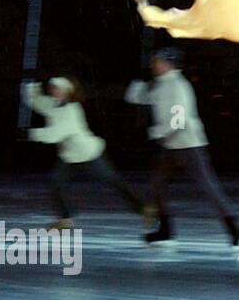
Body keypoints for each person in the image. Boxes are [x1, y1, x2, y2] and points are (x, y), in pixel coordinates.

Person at [124, 42, 239, 247]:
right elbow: (134, 97)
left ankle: (234, 229)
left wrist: (155, 132)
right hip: (170, 145)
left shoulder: (177, 86)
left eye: (157, 61)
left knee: (208, 186)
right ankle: (166, 230)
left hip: (189, 144)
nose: (154, 64)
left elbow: (178, 121)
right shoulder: (160, 84)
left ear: (168, 63)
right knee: (157, 186)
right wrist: (140, 80)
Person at [21, 76, 149, 229]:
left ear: (67, 91)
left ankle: (143, 209)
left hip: (88, 152)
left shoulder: (72, 110)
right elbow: (34, 101)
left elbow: (55, 134)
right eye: (53, 88)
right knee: (56, 183)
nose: (54, 91)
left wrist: (30, 134)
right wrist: (30, 86)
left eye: (58, 88)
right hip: (68, 155)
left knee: (113, 181)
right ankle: (65, 219)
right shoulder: (51, 104)